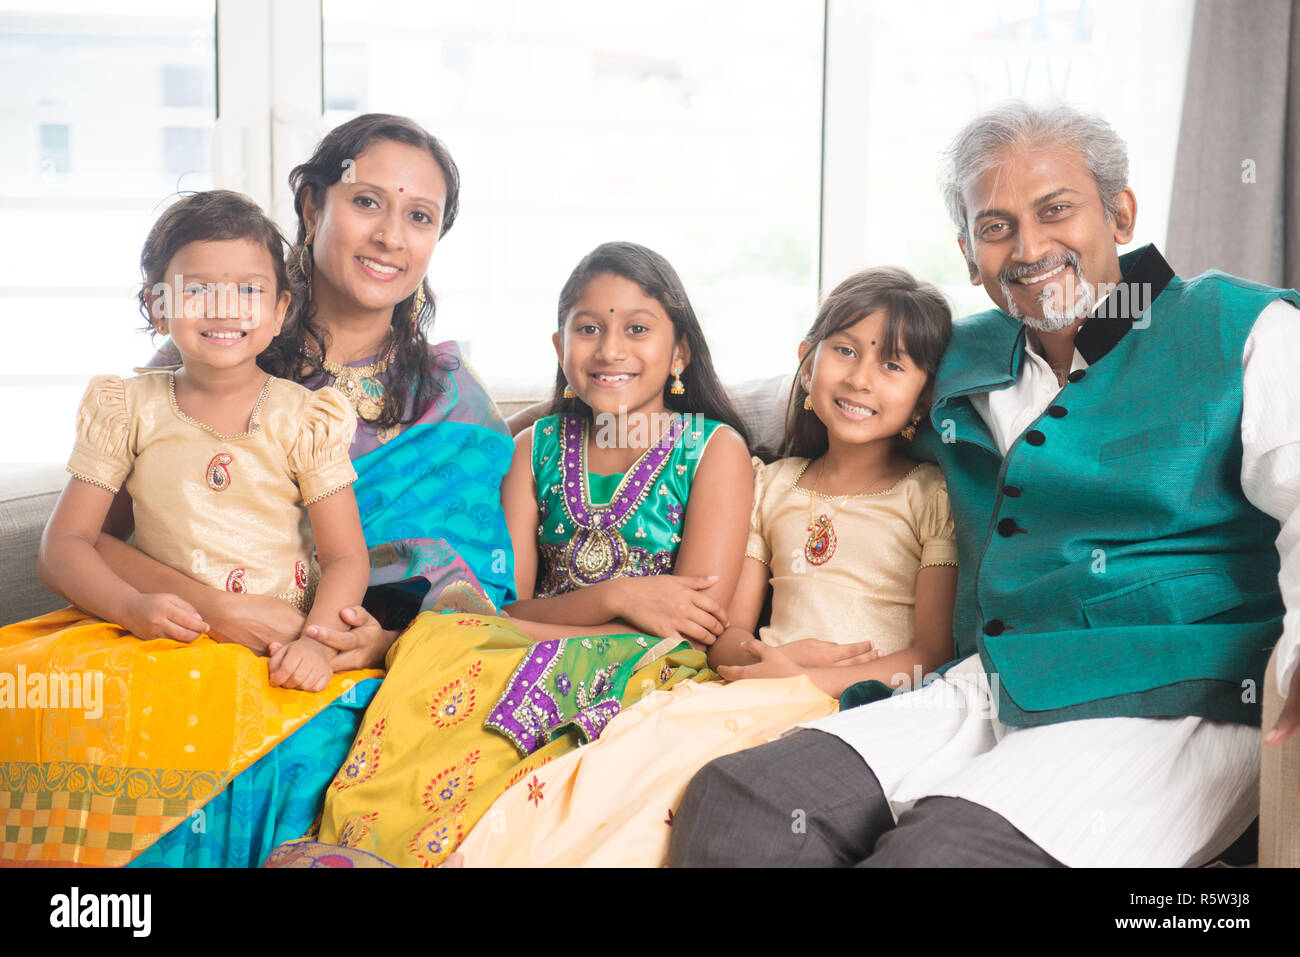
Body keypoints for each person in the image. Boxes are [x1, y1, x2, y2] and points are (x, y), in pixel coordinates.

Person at [669, 100, 1300, 868]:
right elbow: (806, 389)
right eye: (996, 226)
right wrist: (597, 407)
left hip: (1175, 699)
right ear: (969, 255)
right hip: (986, 685)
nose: (1030, 247)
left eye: (1056, 210)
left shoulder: (1243, 328)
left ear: (1121, 212)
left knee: (937, 859)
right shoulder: (958, 353)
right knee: (741, 805)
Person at [0, 114, 514, 868]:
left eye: (419, 216)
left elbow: (481, 602)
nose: (390, 237)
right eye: (367, 202)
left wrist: (381, 638)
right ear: (311, 205)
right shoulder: (215, 343)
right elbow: (90, 541)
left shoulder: (452, 400)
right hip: (185, 629)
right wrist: (214, 609)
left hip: (345, 664)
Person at [265, 241, 755, 867]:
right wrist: (617, 596)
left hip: (654, 663)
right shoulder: (535, 447)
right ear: (558, 346)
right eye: (587, 329)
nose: (610, 350)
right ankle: (360, 849)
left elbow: (695, 618)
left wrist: (506, 629)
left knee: (451, 637)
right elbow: (514, 600)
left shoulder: (712, 449)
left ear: (680, 350)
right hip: (530, 638)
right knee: (450, 633)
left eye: (637, 328)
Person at [451, 266, 958, 867]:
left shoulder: (932, 495)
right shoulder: (774, 484)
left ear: (924, 399)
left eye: (891, 365)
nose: (860, 377)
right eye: (844, 350)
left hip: (854, 702)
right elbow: (725, 635)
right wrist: (769, 664)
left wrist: (800, 678)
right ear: (806, 363)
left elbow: (934, 654)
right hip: (750, 684)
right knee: (617, 772)